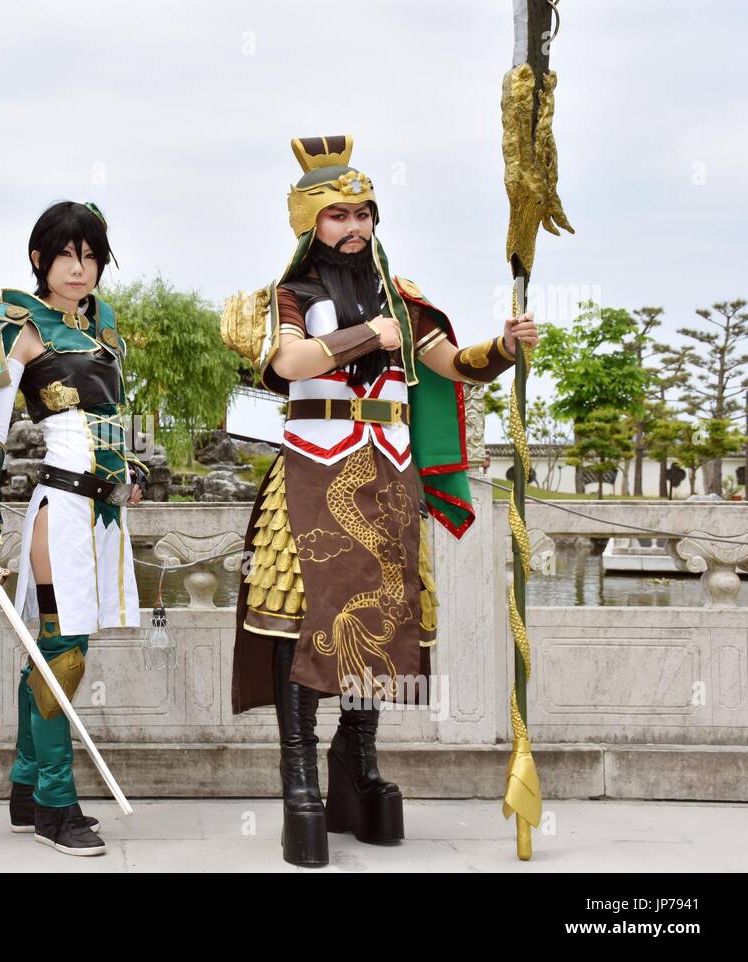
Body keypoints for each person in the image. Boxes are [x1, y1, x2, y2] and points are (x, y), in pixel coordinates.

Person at [223, 136, 538, 867]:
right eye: (339, 216)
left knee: (379, 615)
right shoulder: (291, 296)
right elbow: (290, 361)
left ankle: (355, 763)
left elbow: (453, 365)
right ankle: (298, 777)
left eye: (364, 214)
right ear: (310, 225)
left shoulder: (404, 298)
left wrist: (505, 346)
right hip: (310, 466)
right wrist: (370, 335)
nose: (355, 228)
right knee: (300, 618)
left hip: (386, 471)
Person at [0, 201, 147, 857]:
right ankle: (56, 805)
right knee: (62, 655)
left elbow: (110, 422)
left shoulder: (106, 325)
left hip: (105, 511)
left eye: (91, 255)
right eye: (67, 253)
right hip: (60, 508)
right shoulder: (14, 323)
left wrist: (131, 471)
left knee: (54, 649)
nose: (79, 267)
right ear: (40, 258)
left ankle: (24, 785)